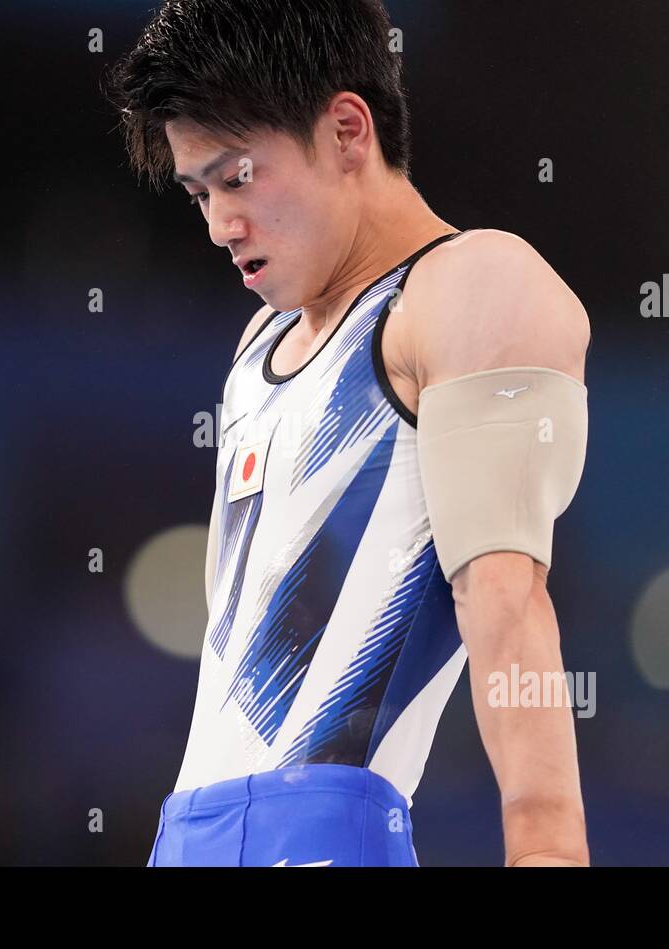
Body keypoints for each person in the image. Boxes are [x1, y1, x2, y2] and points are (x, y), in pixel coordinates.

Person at [104, 0, 592, 867]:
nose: (219, 224)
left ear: (346, 131)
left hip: (324, 841)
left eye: (238, 178)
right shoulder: (260, 349)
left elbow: (507, 604)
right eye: (200, 193)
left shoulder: (470, 289)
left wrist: (546, 846)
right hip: (183, 838)